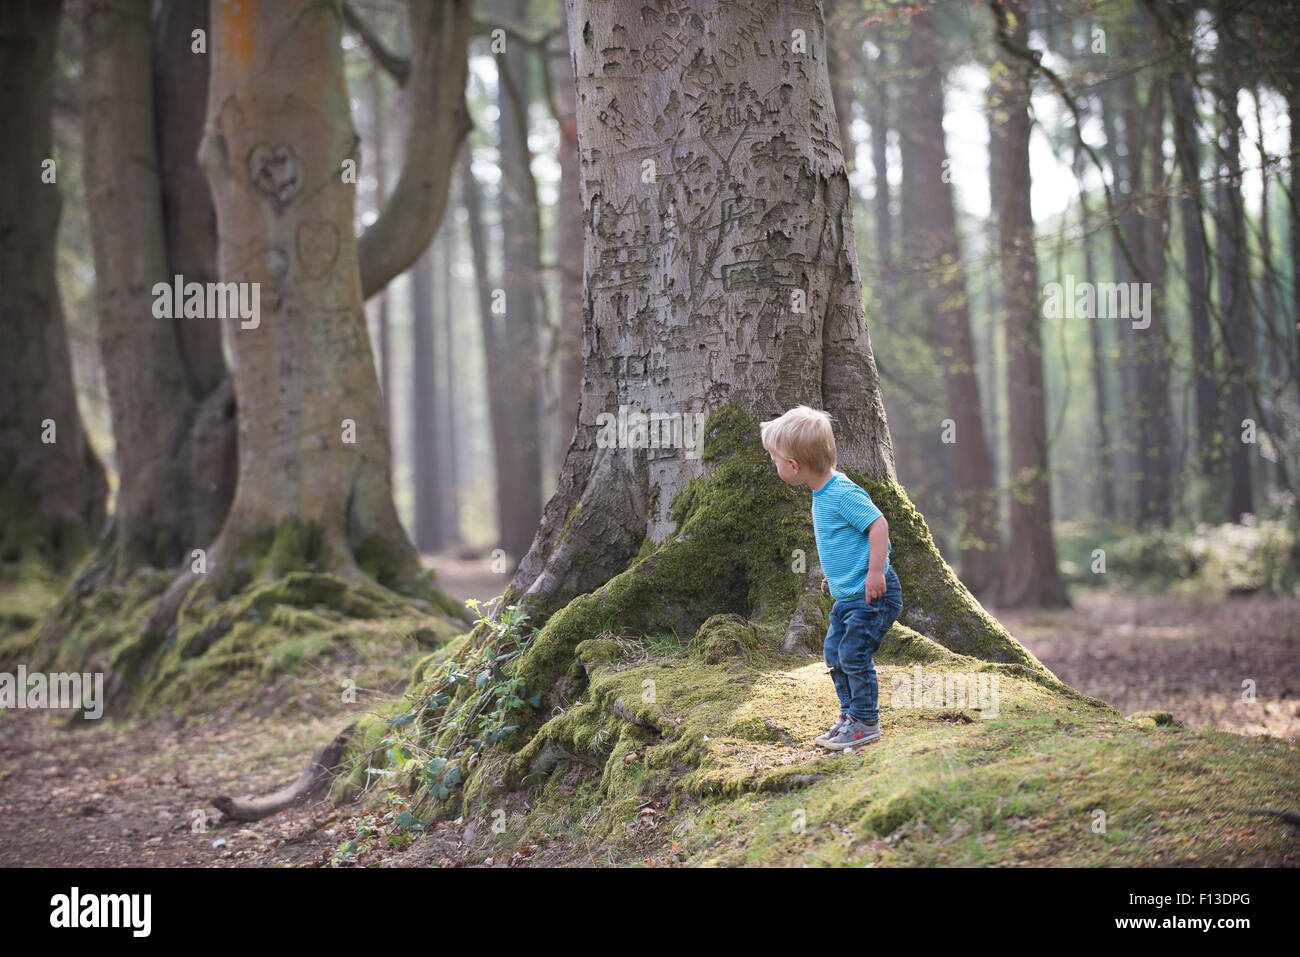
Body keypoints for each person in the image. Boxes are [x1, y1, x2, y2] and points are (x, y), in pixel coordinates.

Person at [760, 405, 903, 750]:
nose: (774, 465)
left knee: (853, 655)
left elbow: (877, 525)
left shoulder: (842, 492)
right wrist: (835, 578)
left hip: (872, 595)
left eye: (775, 459)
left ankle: (866, 721)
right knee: (834, 654)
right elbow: (841, 543)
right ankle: (850, 715)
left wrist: (873, 572)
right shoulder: (821, 493)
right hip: (848, 594)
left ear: (793, 466)